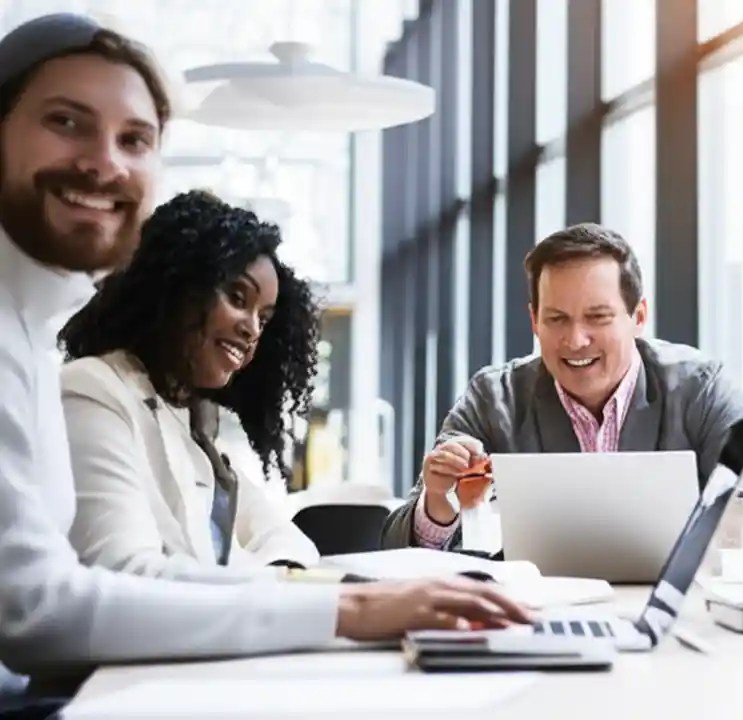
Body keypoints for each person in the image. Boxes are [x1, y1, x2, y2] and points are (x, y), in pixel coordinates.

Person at [0, 13, 528, 685]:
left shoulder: (46, 343)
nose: (105, 161)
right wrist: (347, 608)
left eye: (135, 138)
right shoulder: (81, 383)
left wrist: (341, 599)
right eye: (66, 121)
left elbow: (283, 547)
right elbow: (43, 610)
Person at [381, 223, 743, 552]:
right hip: (535, 619)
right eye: (557, 319)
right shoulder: (494, 398)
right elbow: (400, 546)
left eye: (597, 317)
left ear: (638, 316)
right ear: (534, 321)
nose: (576, 340)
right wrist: (438, 502)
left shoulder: (702, 390)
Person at [58, 190, 324, 577]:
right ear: (181, 288)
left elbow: (287, 541)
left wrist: (279, 576)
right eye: (237, 297)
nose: (252, 328)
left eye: (264, 319)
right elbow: (128, 572)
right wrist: (277, 586)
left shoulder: (198, 432)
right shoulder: (94, 390)